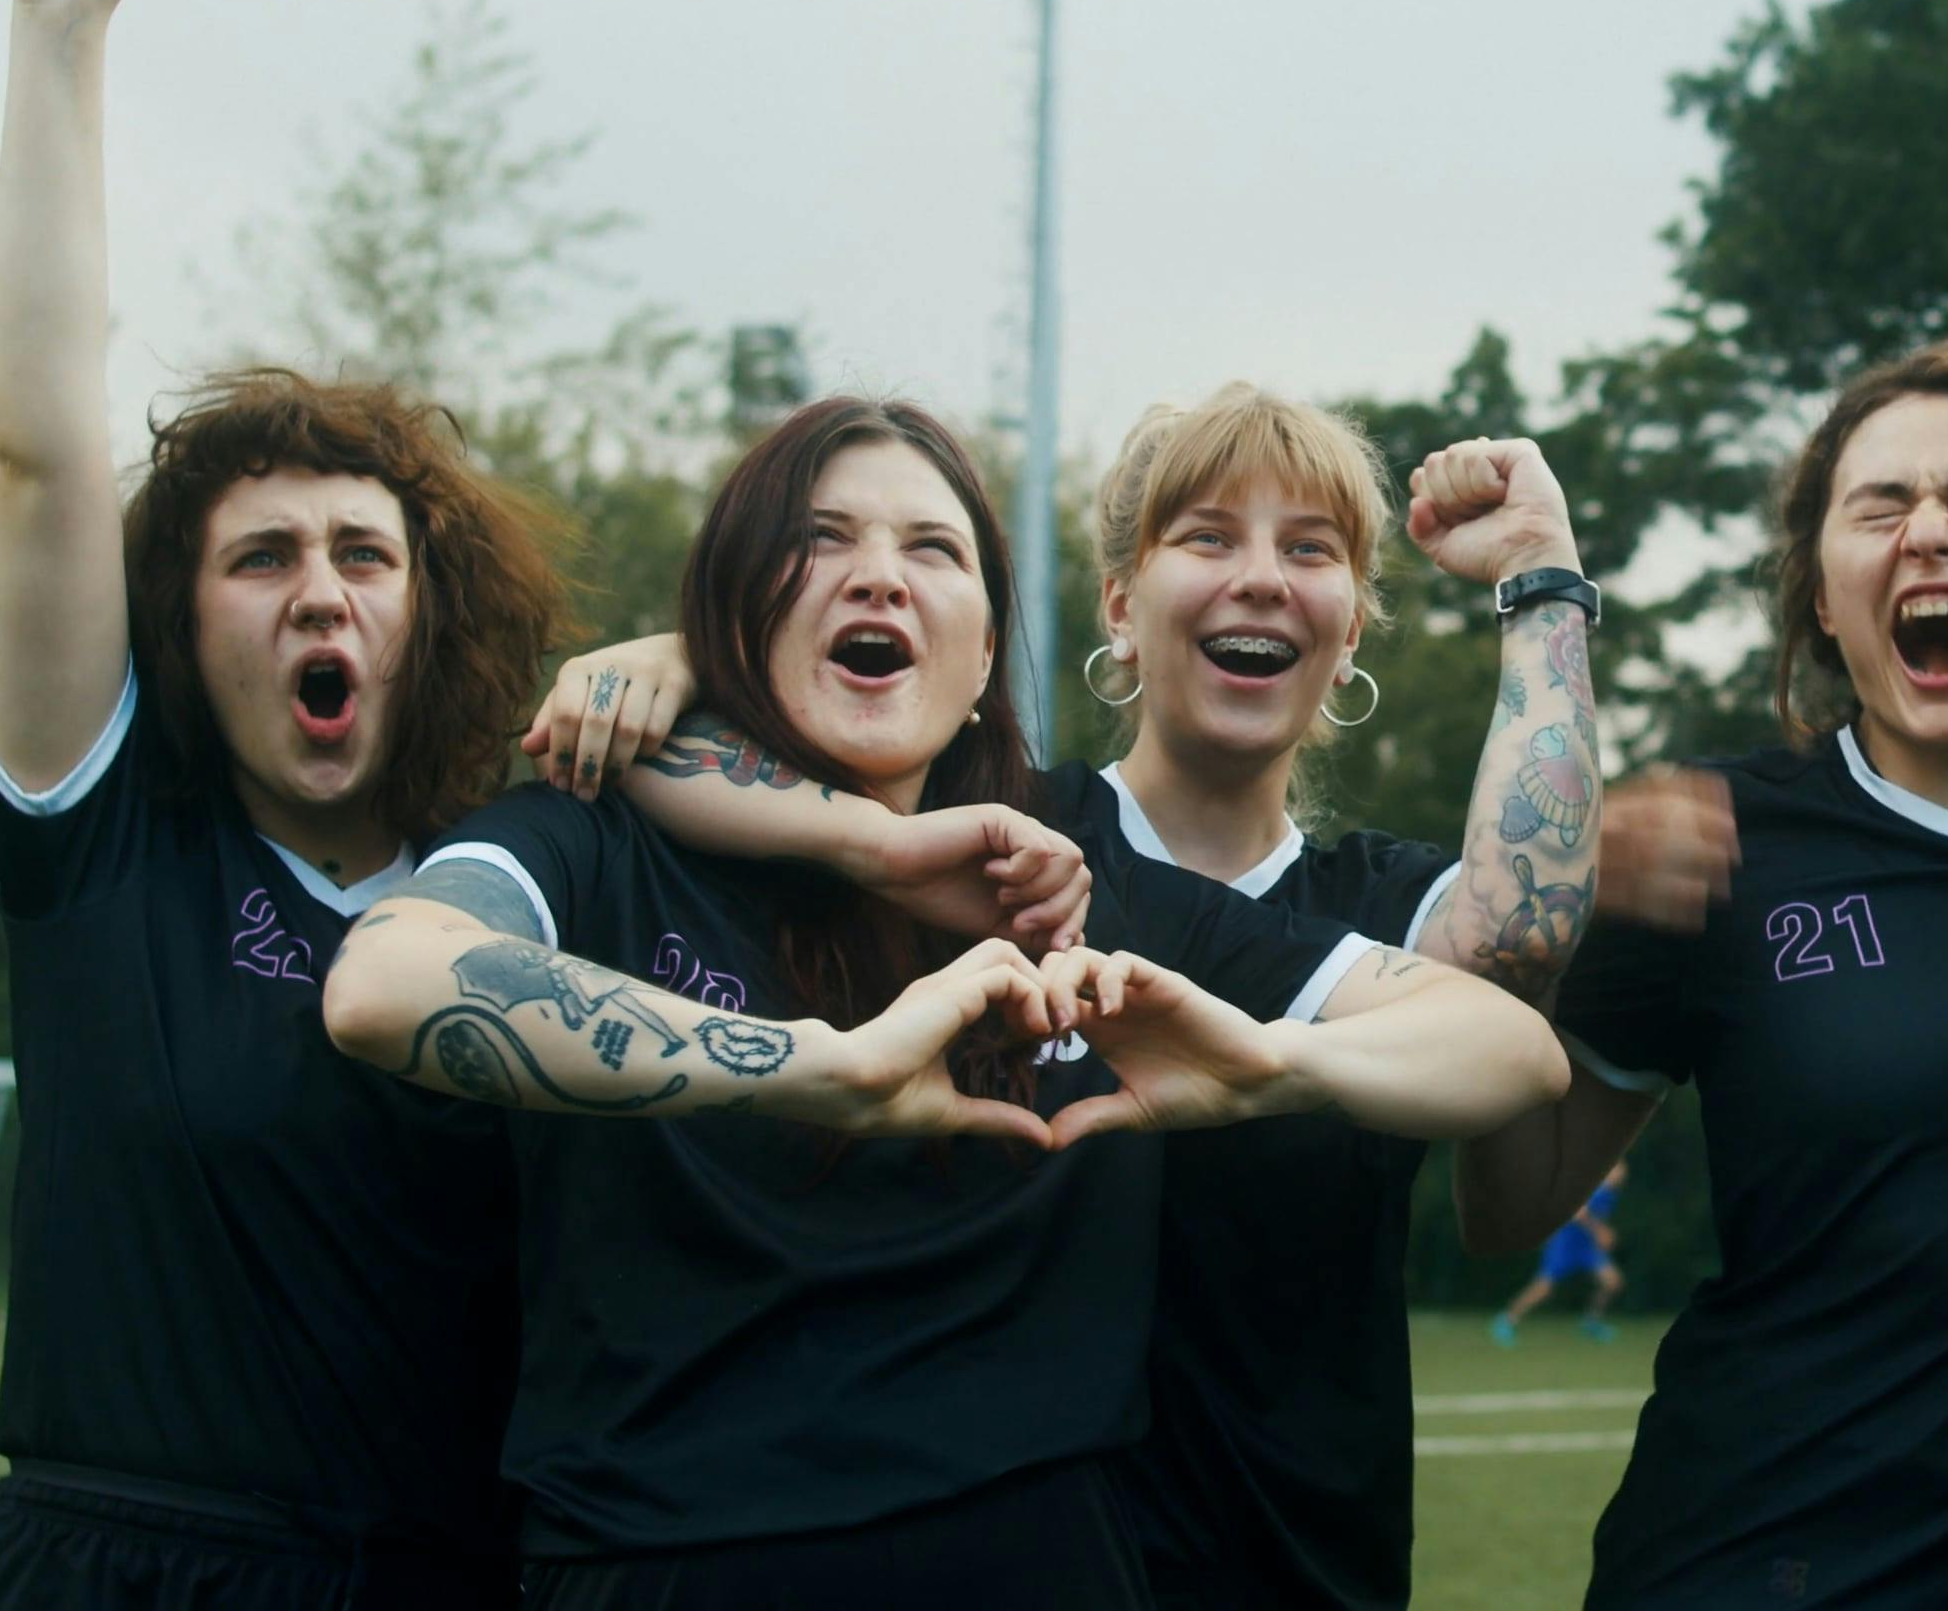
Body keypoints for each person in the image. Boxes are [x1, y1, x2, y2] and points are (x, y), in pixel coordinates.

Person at [319, 394, 1567, 1607]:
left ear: (984, 654)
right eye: (817, 541)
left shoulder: (1072, 890)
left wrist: (1262, 1062)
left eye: (933, 549)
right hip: (657, 1554)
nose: (878, 576)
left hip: (1040, 1559)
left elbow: (1509, 1044)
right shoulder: (599, 836)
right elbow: (384, 981)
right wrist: (816, 1059)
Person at [0, 0, 572, 1608]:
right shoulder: (106, 849)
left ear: (428, 616)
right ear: (176, 615)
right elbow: (42, 448)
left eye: (366, 555)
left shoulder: (514, 894)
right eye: (261, 559)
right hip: (123, 1570)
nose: (320, 591)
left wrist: (661, 673)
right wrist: (61, 28)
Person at [1457, 338, 1948, 1610]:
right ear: (1822, 596)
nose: (1927, 532)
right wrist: (1539, 944)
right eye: (1880, 506)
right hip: (1757, 1565)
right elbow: (1504, 1213)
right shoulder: (1711, 840)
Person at [1489, 1160, 1628, 1345]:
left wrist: (1600, 1235)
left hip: (1586, 1247)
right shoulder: (1597, 1190)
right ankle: (1505, 1321)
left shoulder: (1609, 1195)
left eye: (1621, 1170)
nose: (1620, 1173)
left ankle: (1591, 1323)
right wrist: (1600, 1231)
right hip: (1565, 1244)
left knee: (1612, 1282)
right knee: (1543, 1289)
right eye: (1616, 1169)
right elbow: (1577, 1212)